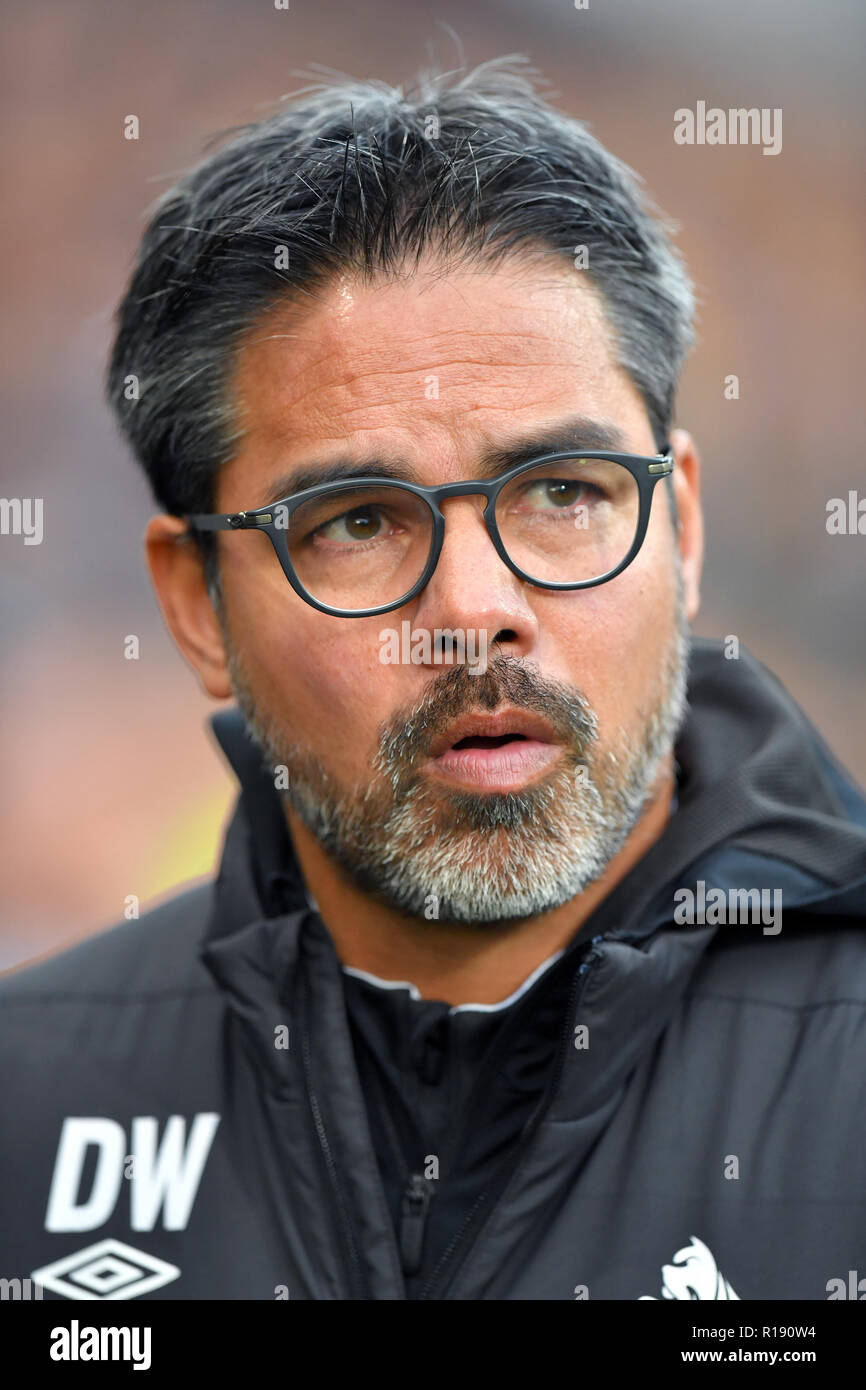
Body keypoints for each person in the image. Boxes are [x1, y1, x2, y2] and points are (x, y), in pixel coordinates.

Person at [2, 57, 864, 1303]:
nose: (475, 613)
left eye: (563, 494)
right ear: (195, 602)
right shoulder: (29, 1095)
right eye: (357, 521)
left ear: (676, 527)